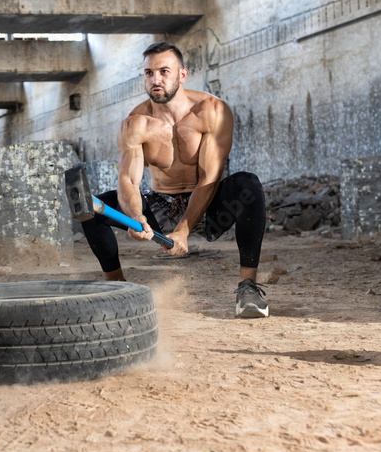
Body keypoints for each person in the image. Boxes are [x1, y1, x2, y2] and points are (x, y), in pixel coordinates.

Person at [79, 41, 270, 318]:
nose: (156, 80)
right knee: (93, 207)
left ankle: (248, 288)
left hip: (208, 206)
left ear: (182, 75)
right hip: (160, 205)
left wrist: (183, 229)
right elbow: (128, 180)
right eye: (148, 73)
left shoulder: (211, 111)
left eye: (164, 71)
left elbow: (210, 176)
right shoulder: (136, 123)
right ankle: (119, 291)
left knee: (248, 184)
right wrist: (135, 215)